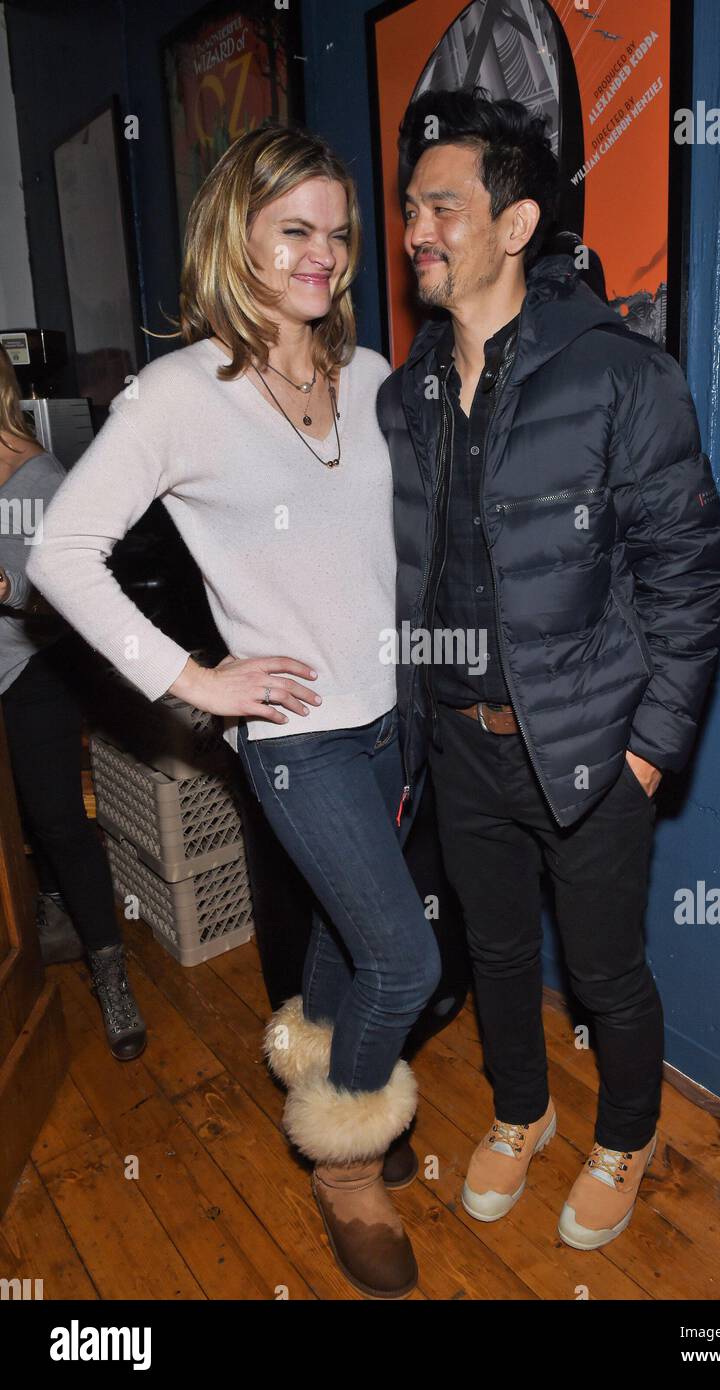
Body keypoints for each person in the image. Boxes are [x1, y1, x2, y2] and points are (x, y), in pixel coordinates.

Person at [26, 124, 441, 1299]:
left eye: (339, 231)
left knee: (337, 941)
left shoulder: (365, 377)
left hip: (387, 718)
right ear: (236, 240)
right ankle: (343, 1159)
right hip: (295, 736)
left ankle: (328, 1066)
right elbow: (57, 551)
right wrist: (196, 679)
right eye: (294, 230)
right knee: (403, 962)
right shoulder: (180, 394)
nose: (325, 254)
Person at [376, 88, 720, 1251]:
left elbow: (687, 579)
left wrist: (646, 751)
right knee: (488, 951)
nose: (416, 226)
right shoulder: (403, 395)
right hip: (454, 741)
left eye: (443, 203)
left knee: (603, 973)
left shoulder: (623, 377)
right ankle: (520, 1111)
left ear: (515, 224)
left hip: (584, 745)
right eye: (410, 205)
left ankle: (621, 1135)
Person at [0, 345, 146, 1059]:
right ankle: (48, 921)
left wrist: (6, 589)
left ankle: (110, 968)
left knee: (58, 821)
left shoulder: (39, 476)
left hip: (35, 673)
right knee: (19, 823)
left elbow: (61, 597)